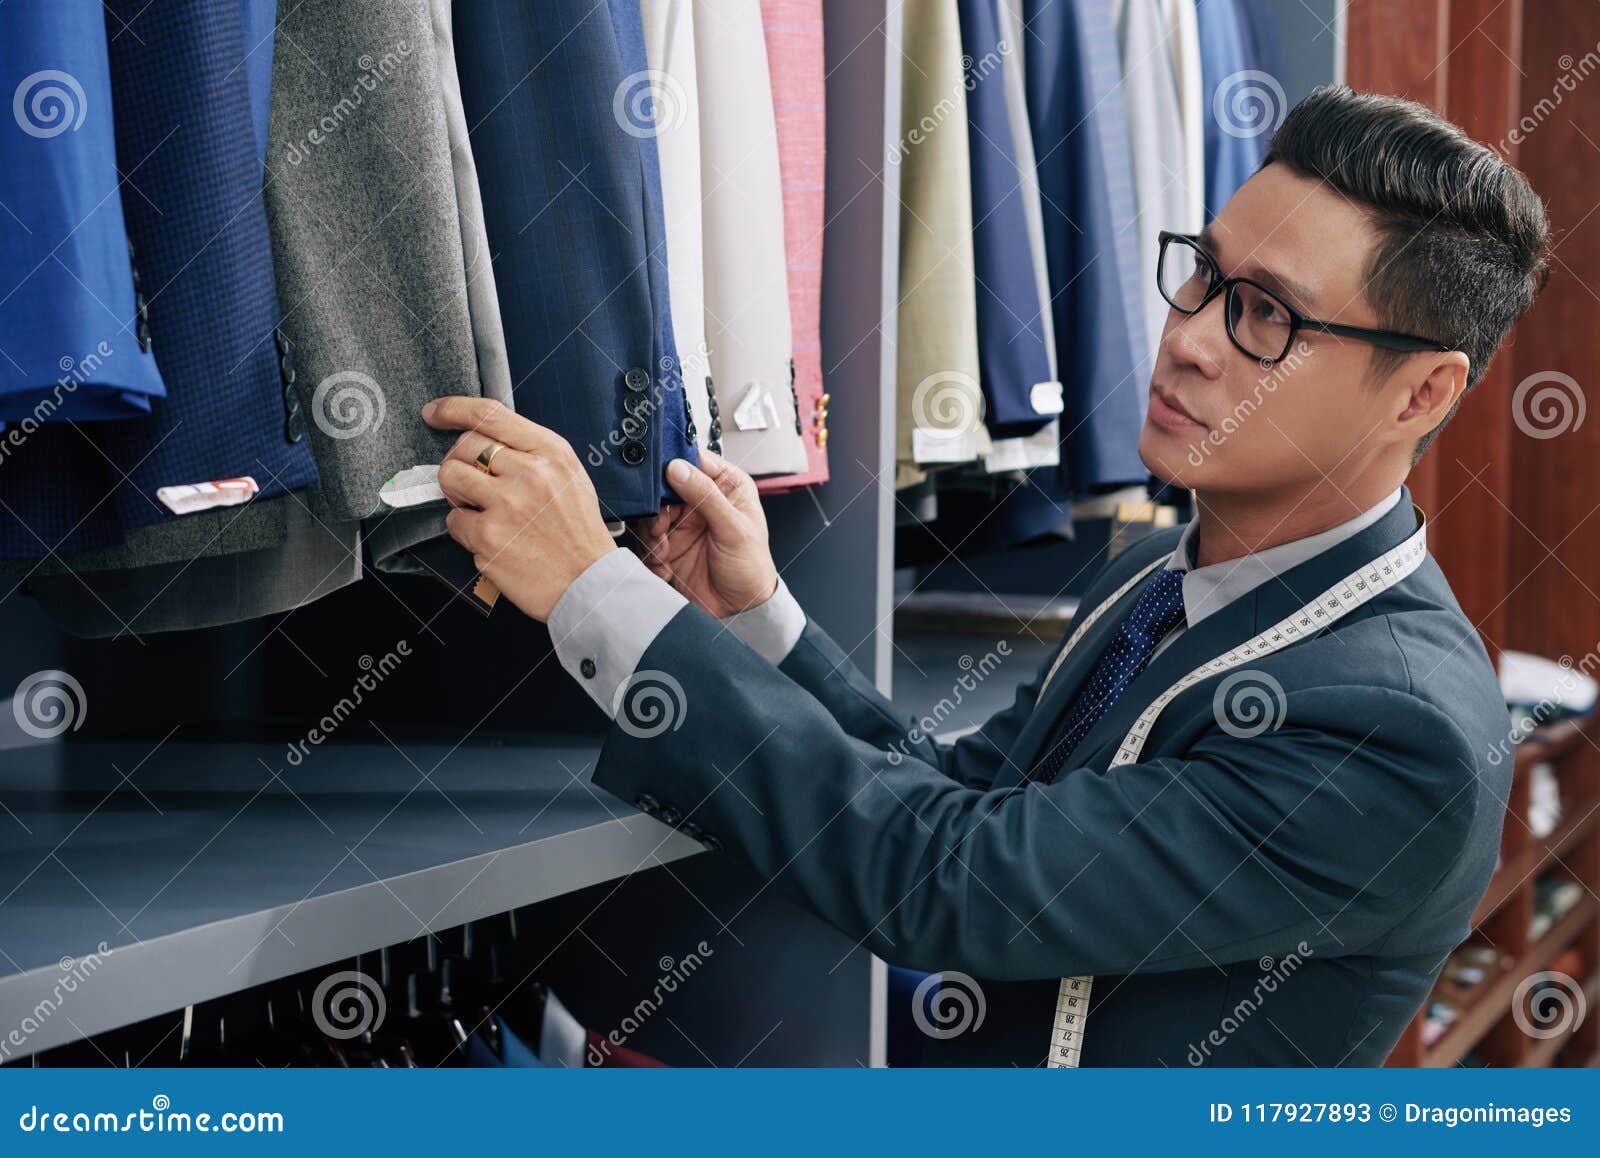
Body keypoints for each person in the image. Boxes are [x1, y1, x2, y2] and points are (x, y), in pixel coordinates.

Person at [420, 85, 1549, 1066]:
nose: (1188, 338)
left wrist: (590, 588)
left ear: (1420, 395)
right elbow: (970, 795)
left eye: (1265, 315)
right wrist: (755, 619)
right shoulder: (1161, 569)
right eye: (1203, 275)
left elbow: (954, 882)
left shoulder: (1394, 731)